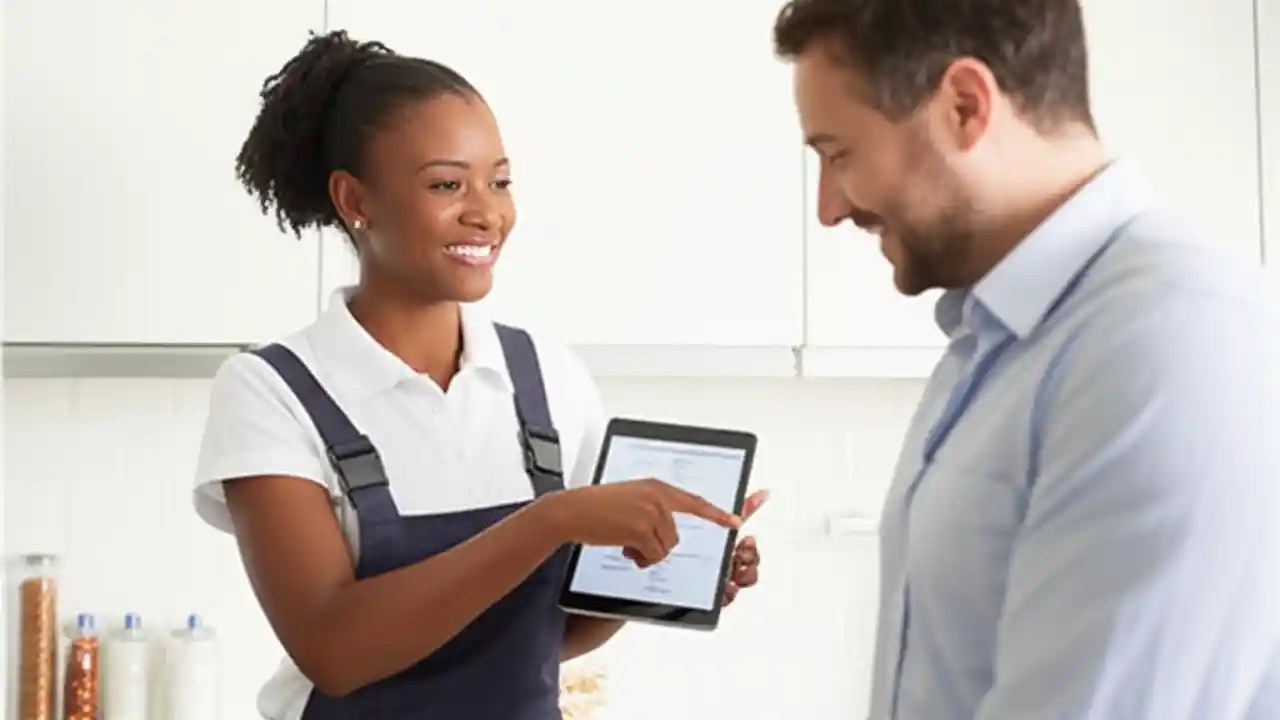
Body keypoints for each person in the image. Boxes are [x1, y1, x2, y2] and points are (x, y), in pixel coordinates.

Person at [193, 30, 767, 719]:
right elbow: (335, 650)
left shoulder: (550, 379)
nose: (487, 212)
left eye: (499, 181)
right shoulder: (272, 392)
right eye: (447, 184)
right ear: (355, 200)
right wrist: (549, 521)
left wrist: (666, 576)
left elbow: (544, 635)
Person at [772, 1, 1280, 718]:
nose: (828, 207)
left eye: (839, 154)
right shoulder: (992, 344)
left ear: (964, 106)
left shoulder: (1168, 345)